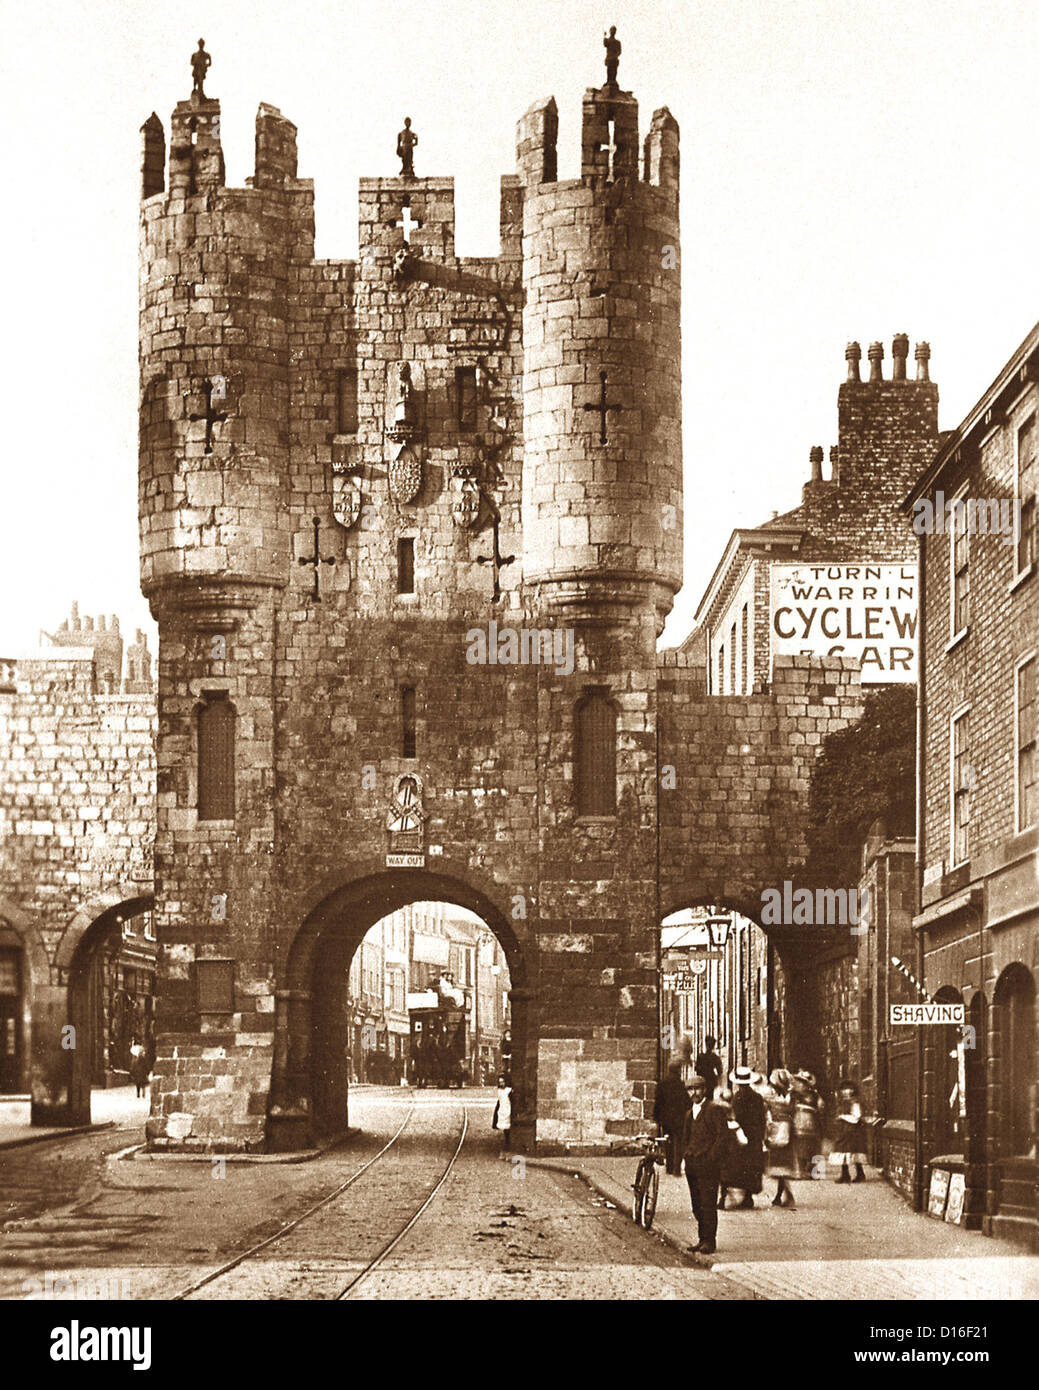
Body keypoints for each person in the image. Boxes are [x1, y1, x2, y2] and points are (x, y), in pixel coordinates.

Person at [682, 1075, 728, 1254]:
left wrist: (711, 1157)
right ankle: (702, 1238)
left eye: (697, 1089)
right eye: (690, 1090)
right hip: (693, 1165)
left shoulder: (713, 1110)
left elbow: (722, 1136)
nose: (694, 1093)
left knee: (708, 1203)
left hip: (708, 1165)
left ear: (704, 1090)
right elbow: (685, 1138)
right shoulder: (689, 1113)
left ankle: (710, 1240)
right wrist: (686, 1156)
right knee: (696, 1204)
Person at [727, 1067, 766, 1209]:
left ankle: (740, 1195)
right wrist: (761, 1135)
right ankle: (748, 1196)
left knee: (739, 1165)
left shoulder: (737, 1098)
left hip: (741, 1135)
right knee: (751, 1166)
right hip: (754, 1136)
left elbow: (734, 1116)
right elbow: (762, 1118)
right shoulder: (757, 1097)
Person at [764, 1068, 797, 1207]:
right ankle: (783, 1194)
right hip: (782, 1129)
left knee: (780, 1164)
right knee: (780, 1165)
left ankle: (783, 1195)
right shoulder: (787, 1097)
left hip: (782, 1130)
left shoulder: (778, 1097)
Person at [654, 1060, 691, 1176]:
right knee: (679, 1142)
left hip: (665, 1118)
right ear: (678, 1071)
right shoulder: (681, 1085)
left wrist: (656, 1116)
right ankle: (677, 1168)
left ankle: (669, 1166)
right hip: (678, 1118)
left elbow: (658, 1101)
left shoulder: (662, 1083)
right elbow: (687, 1102)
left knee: (668, 1141)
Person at [830, 1081, 867, 1183]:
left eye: (849, 1089)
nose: (846, 1091)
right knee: (843, 1151)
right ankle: (845, 1174)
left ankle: (860, 1173)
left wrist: (842, 1117)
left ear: (853, 1090)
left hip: (852, 1130)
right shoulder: (843, 1102)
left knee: (853, 1151)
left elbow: (857, 1117)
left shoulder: (854, 1102)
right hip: (843, 1130)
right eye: (844, 1089)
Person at [790, 1068, 824, 1179]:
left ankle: (813, 1170)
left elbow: (821, 1106)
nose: (800, 1085)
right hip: (798, 1120)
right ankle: (801, 1169)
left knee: (812, 1145)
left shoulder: (814, 1095)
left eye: (802, 1082)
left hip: (810, 1121)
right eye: (799, 1082)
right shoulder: (794, 1095)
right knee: (800, 1145)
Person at [492, 1074, 512, 1152]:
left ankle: (508, 1146)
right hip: (502, 1110)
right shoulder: (499, 1091)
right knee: (502, 1130)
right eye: (500, 1082)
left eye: (503, 1082)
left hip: (508, 1110)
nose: (501, 1084)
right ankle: (504, 1147)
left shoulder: (509, 1090)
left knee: (508, 1129)